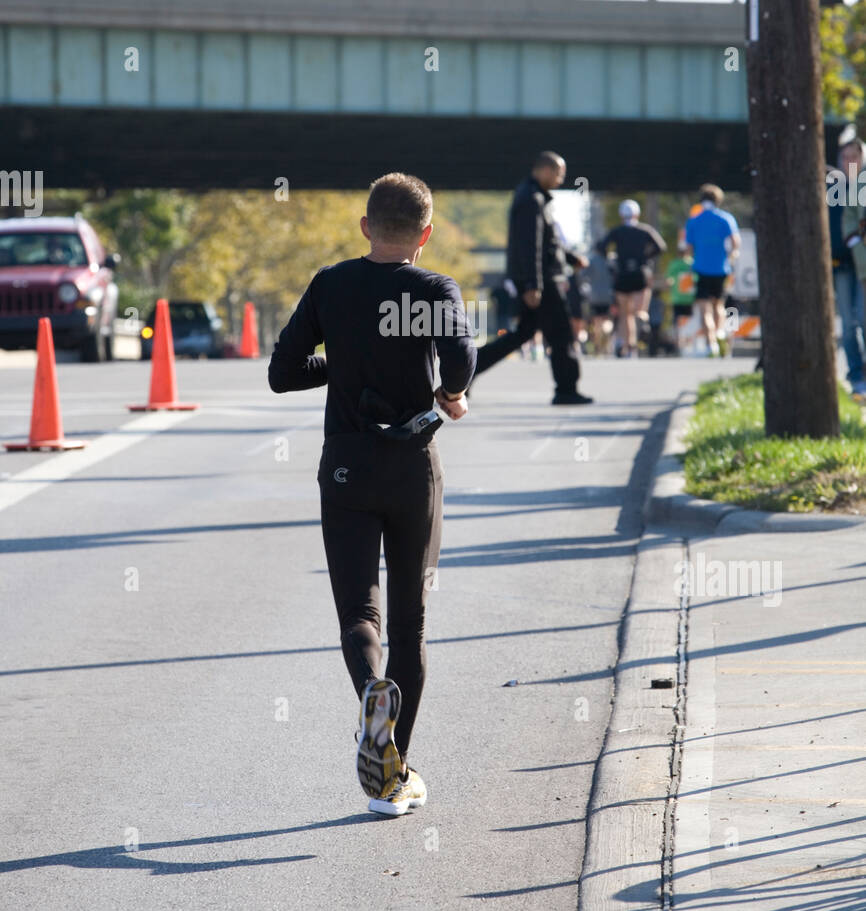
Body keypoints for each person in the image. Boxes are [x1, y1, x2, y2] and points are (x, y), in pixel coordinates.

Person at [268, 173, 475, 816]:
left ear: (365, 227)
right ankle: (392, 778)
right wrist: (449, 395)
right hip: (412, 466)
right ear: (426, 233)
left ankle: (369, 690)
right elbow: (461, 361)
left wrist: (346, 361)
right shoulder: (436, 289)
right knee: (410, 622)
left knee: (360, 613)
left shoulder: (331, 284)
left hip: (346, 470)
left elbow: (282, 374)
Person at [471, 151, 593, 404]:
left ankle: (468, 369)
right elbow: (530, 247)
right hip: (544, 282)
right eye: (559, 174)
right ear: (545, 171)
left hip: (539, 279)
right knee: (561, 334)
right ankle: (566, 389)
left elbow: (547, 242)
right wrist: (532, 285)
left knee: (522, 334)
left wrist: (570, 258)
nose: (561, 180)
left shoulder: (534, 197)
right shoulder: (531, 200)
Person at [596, 200, 666, 358]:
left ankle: (627, 345)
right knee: (637, 310)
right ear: (637, 214)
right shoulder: (644, 230)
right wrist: (645, 257)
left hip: (622, 275)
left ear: (621, 215)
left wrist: (611, 259)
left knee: (625, 314)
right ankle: (642, 322)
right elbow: (660, 247)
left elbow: (601, 247)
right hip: (640, 273)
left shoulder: (617, 231)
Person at [685, 184, 741, 358]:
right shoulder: (726, 219)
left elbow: (688, 248)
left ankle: (711, 344)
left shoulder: (694, 220)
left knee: (704, 308)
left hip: (700, 268)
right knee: (719, 304)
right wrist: (731, 257)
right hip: (721, 268)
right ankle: (718, 333)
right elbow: (735, 243)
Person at [837, 129, 866, 397]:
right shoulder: (831, 185)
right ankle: (856, 376)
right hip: (840, 264)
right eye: (845, 157)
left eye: (854, 156)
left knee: (864, 319)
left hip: (863, 265)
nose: (849, 162)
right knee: (848, 325)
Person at [665, 244, 697, 355]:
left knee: (677, 324)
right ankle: (687, 346)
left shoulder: (674, 264)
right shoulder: (692, 263)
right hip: (690, 298)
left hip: (677, 298)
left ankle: (680, 345)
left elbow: (668, 280)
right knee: (690, 323)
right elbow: (697, 279)